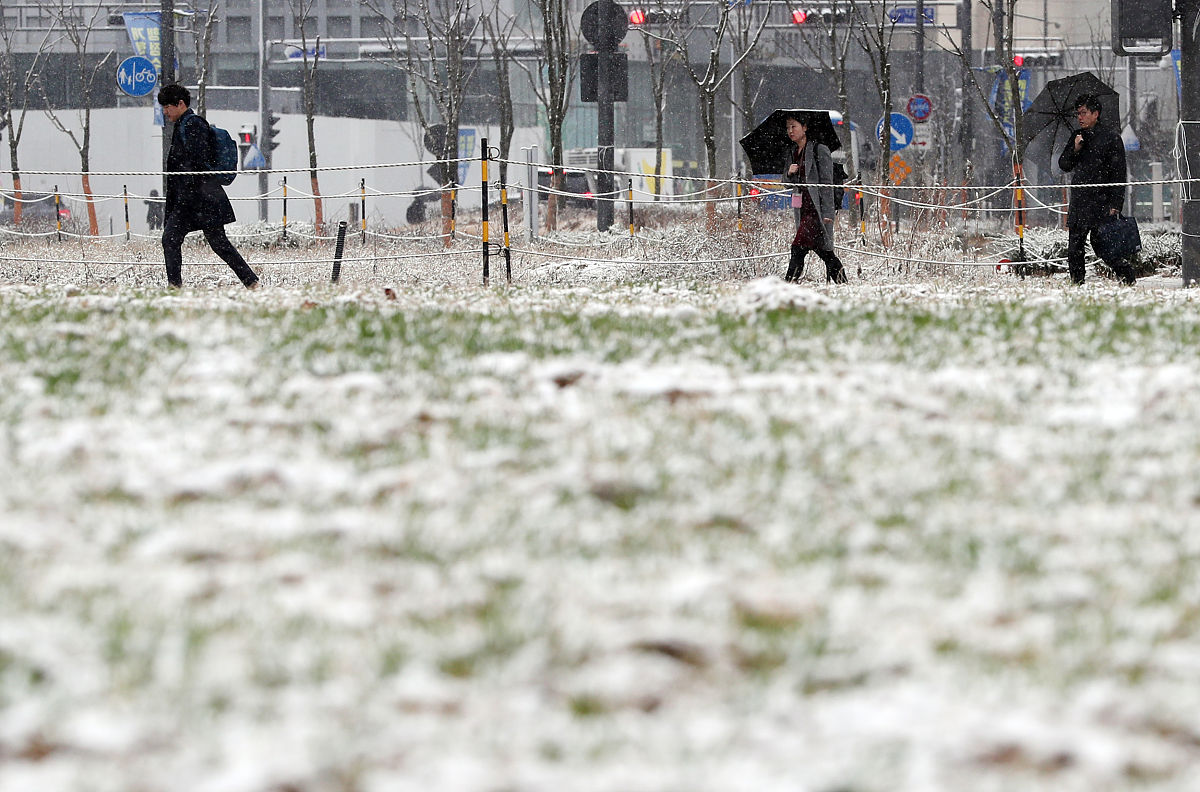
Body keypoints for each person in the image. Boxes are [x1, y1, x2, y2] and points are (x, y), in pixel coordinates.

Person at [157, 83, 259, 290]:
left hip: (197, 199)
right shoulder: (184, 124)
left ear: (180, 104)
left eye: (167, 107)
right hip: (197, 198)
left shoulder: (193, 124)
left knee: (180, 239)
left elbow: (198, 161)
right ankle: (251, 281)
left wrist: (185, 190)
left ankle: (175, 287)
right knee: (209, 242)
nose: (165, 112)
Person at [1058, 93, 1136, 285]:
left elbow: (1118, 174)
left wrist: (1116, 203)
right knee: (1074, 246)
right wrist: (1075, 149)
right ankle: (1077, 282)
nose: (1080, 117)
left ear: (1095, 114)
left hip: (1101, 201)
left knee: (1103, 246)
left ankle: (1127, 275)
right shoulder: (1076, 137)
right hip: (1080, 200)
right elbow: (1064, 164)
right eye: (1078, 114)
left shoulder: (1111, 139)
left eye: (1084, 113)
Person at [782, 113, 847, 284]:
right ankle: (843, 282)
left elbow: (827, 185)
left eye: (793, 126)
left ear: (804, 128)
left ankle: (787, 284)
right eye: (788, 127)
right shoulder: (792, 153)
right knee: (825, 251)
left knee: (797, 247)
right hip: (802, 209)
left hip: (816, 211)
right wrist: (790, 172)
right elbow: (786, 184)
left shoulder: (819, 150)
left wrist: (828, 213)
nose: (790, 131)